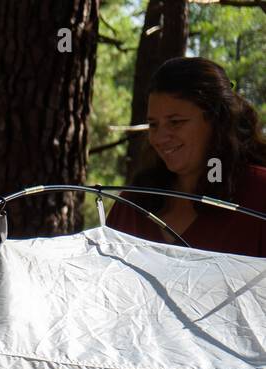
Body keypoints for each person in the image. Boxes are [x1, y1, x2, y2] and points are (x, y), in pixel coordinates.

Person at [107, 56, 266, 256]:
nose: (160, 137)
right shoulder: (133, 203)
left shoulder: (259, 195)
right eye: (154, 125)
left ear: (217, 120)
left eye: (175, 122)